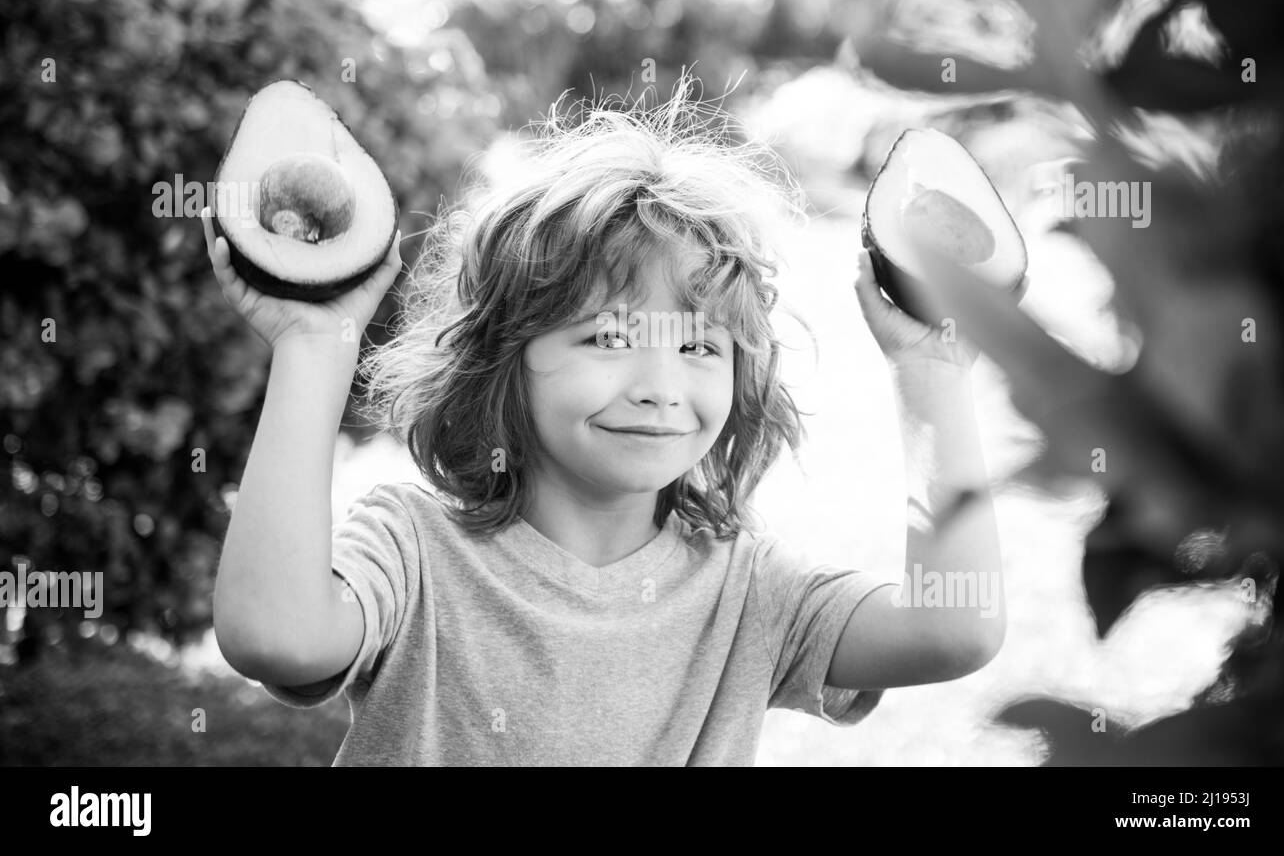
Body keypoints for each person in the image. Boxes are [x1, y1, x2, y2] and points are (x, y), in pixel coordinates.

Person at [205, 75, 1006, 766]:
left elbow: (952, 627)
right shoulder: (414, 552)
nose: (660, 386)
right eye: (609, 338)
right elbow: (275, 636)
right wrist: (315, 342)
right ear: (502, 358)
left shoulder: (750, 591)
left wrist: (929, 375)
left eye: (699, 344)